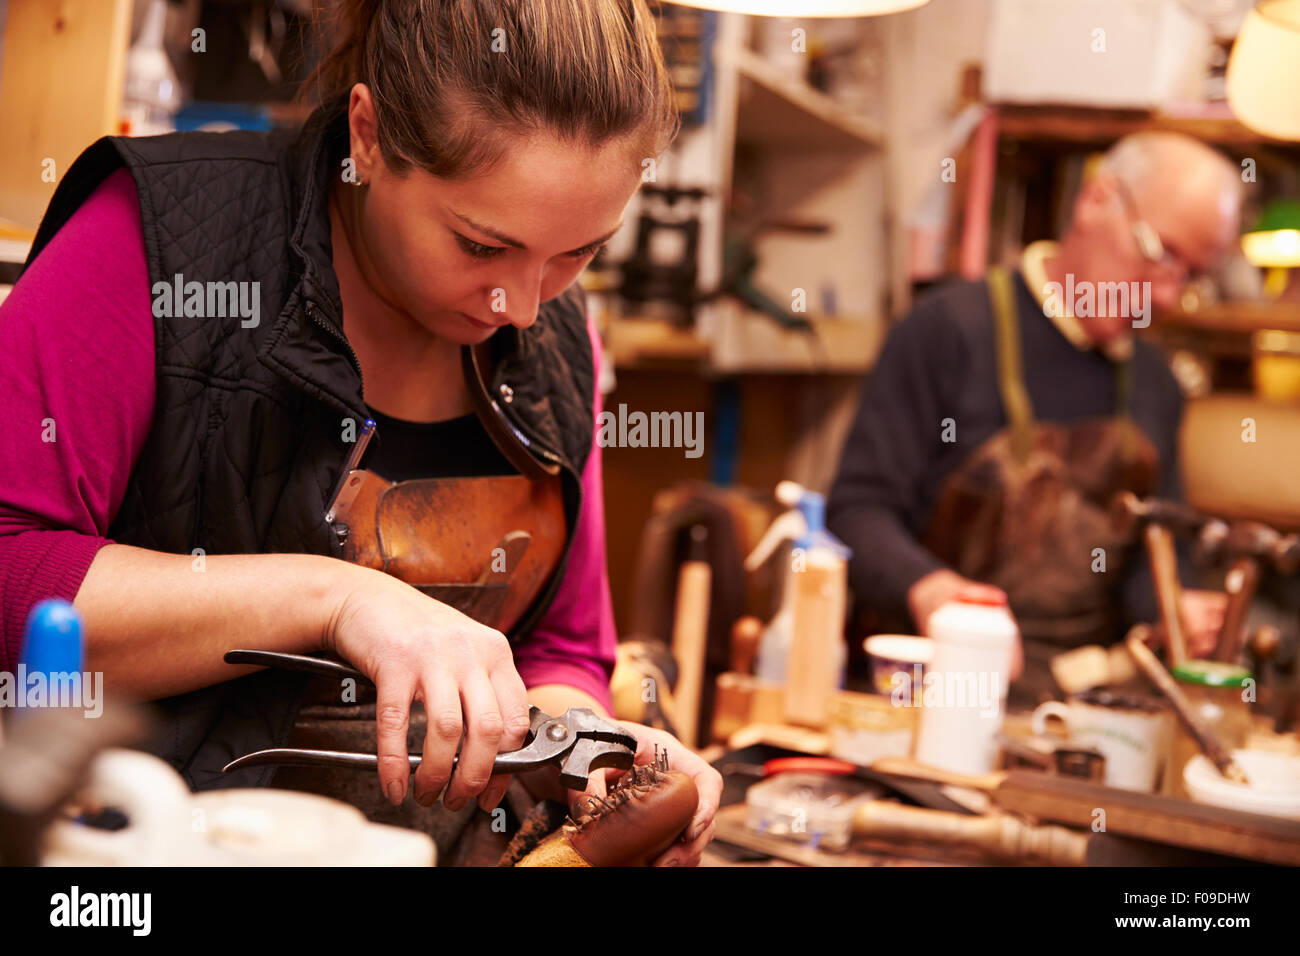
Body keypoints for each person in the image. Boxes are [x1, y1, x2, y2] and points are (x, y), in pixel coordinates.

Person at [0, 0, 719, 865]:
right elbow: (11, 567)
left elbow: (560, 647)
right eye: (480, 246)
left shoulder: (557, 340)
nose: (525, 306)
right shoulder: (164, 240)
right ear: (368, 136)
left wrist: (585, 746)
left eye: (579, 252)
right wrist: (335, 599)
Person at [828, 132, 1242, 702]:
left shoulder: (1156, 385)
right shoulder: (948, 332)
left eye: (1192, 275)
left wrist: (1175, 612)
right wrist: (931, 589)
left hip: (1080, 703)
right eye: (1162, 254)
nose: (1167, 295)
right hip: (929, 688)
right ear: (1096, 201)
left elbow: (1151, 564)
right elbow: (857, 512)